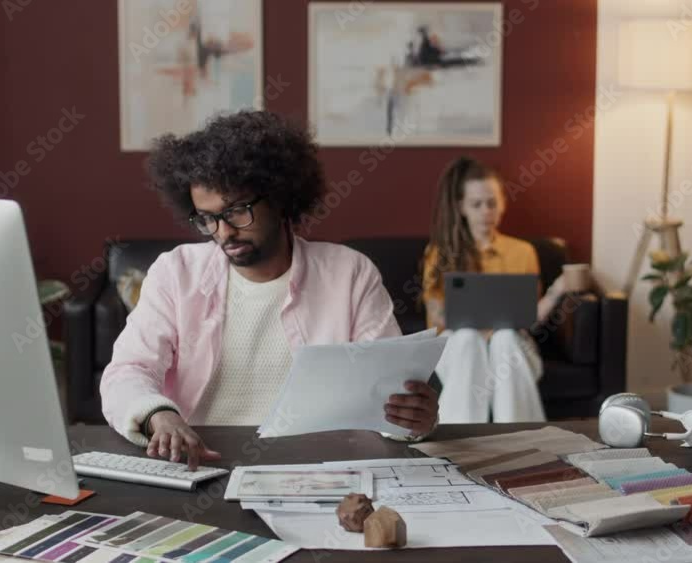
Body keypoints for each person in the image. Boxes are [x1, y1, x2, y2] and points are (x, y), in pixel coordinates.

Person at [100, 110, 440, 469]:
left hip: (319, 468)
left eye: (237, 211)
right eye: (207, 218)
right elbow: (127, 371)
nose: (224, 232)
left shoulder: (349, 273)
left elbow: (387, 394)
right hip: (201, 463)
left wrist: (412, 421)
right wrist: (159, 415)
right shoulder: (176, 272)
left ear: (279, 199)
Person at [421, 157, 566, 423]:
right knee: (466, 337)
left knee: (506, 337)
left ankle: (518, 438)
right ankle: (460, 439)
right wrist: (470, 322)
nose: (486, 211)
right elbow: (436, 316)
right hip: (458, 347)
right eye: (477, 204)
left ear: (502, 203)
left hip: (511, 345)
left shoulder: (523, 252)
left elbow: (528, 318)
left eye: (492, 203)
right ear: (461, 207)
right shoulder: (440, 253)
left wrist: (557, 291)